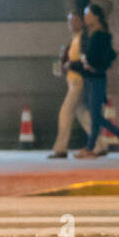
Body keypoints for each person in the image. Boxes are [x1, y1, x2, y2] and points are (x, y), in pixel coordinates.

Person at [73, 4, 119, 159]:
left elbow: (107, 56)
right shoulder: (93, 34)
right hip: (90, 78)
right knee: (95, 115)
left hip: (96, 78)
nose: (85, 17)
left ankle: (91, 147)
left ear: (96, 16)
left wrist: (89, 61)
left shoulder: (100, 35)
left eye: (87, 14)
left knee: (95, 115)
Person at [47, 10, 92, 158]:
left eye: (73, 20)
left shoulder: (82, 40)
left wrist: (70, 64)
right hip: (72, 80)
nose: (70, 24)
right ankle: (98, 143)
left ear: (81, 21)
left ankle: (60, 148)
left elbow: (84, 60)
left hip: (78, 81)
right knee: (82, 114)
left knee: (65, 112)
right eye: (69, 21)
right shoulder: (75, 39)